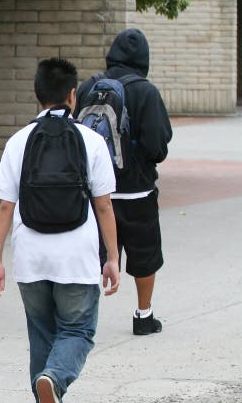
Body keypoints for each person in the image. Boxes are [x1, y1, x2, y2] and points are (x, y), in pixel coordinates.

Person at [0, 57, 120, 403]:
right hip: (76, 256)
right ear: (73, 95)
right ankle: (55, 381)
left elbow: (5, 207)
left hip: (31, 257)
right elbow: (104, 205)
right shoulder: (91, 141)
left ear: (37, 94)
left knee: (41, 331)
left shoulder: (18, 141)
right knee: (78, 331)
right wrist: (111, 257)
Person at [74, 28, 172, 336]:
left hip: (94, 193)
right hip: (137, 192)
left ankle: (83, 320)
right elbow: (158, 145)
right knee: (145, 256)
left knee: (93, 256)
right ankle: (144, 315)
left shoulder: (90, 86)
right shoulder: (146, 91)